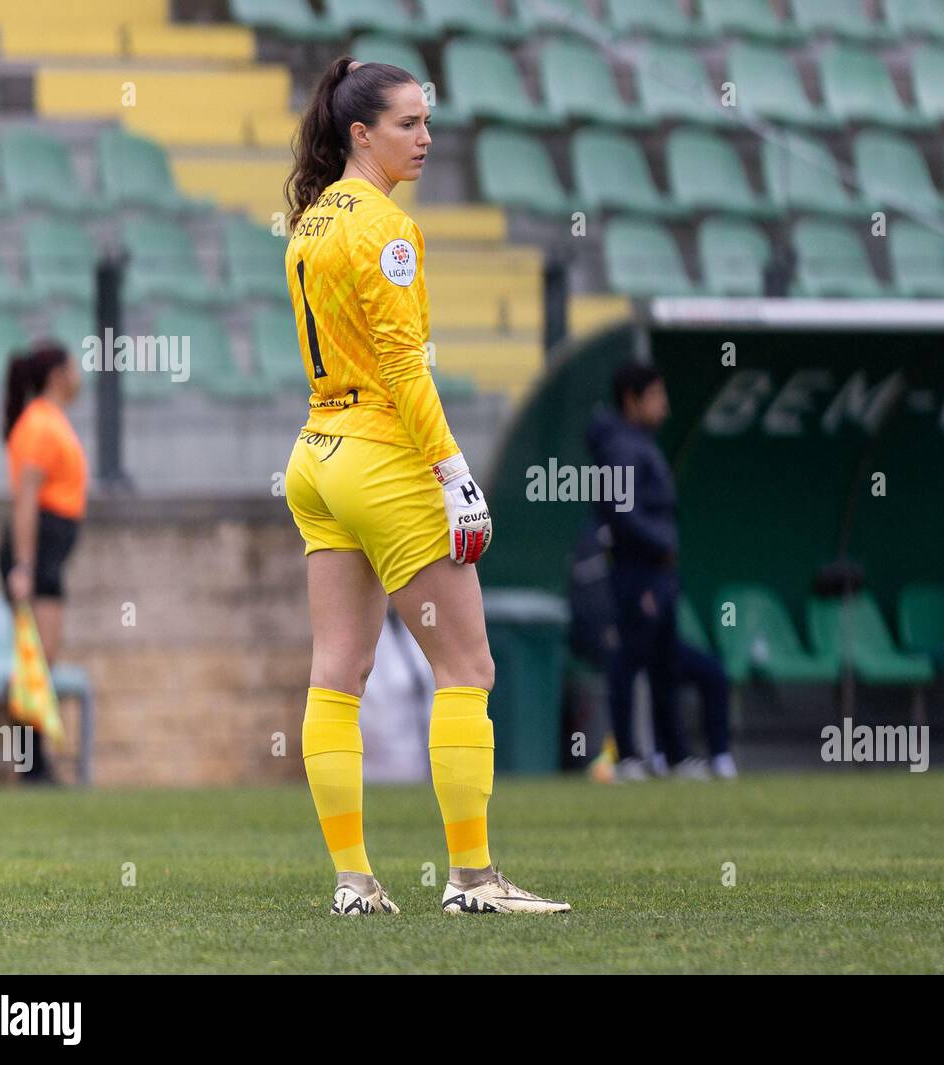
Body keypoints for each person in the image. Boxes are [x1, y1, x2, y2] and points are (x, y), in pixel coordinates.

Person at [282, 57, 569, 916]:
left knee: (335, 674)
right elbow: (406, 367)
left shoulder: (307, 220)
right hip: (380, 454)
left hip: (316, 454)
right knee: (467, 666)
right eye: (408, 123)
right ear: (360, 133)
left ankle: (354, 882)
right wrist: (455, 472)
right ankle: (473, 878)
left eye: (427, 121)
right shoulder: (387, 226)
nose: (426, 138)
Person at [585, 362, 736, 782]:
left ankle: (674, 755)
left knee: (665, 662)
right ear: (632, 400)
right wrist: (660, 543)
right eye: (656, 396)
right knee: (630, 660)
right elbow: (622, 512)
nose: (664, 406)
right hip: (639, 574)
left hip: (658, 575)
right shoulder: (621, 448)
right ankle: (629, 756)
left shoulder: (637, 444)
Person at [0, 343, 88, 785]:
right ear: (56, 374)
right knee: (38, 658)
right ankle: (31, 766)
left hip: (48, 550)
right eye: (73, 367)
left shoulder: (51, 421)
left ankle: (34, 764)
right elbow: (25, 502)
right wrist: (25, 566)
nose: (79, 374)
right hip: (37, 553)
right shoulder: (38, 425)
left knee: (42, 658)